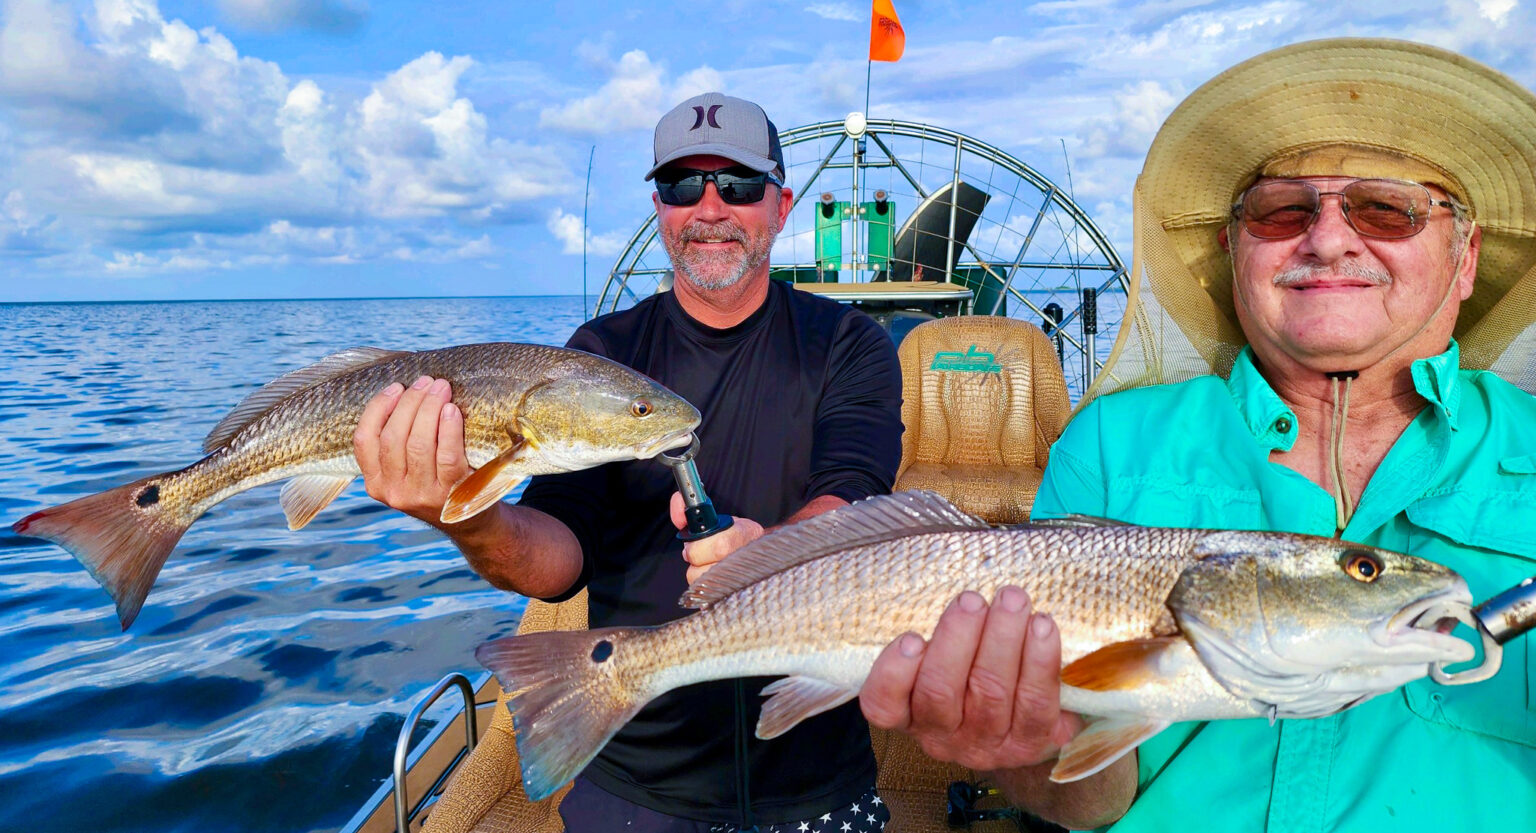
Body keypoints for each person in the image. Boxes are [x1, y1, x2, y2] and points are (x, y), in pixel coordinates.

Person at [859, 38, 1536, 831]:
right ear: (1234, 247)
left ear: (1466, 258)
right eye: (1282, 209)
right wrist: (1022, 744)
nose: (1326, 238)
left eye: (1385, 208)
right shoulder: (1110, 441)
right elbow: (1085, 794)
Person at [352, 92, 904, 832]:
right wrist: (464, 513)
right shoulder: (600, 355)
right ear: (658, 206)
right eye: (683, 185)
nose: (710, 207)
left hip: (816, 773)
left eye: (737, 185)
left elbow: (855, 497)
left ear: (781, 204)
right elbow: (557, 558)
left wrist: (769, 557)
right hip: (635, 773)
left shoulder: (850, 343)